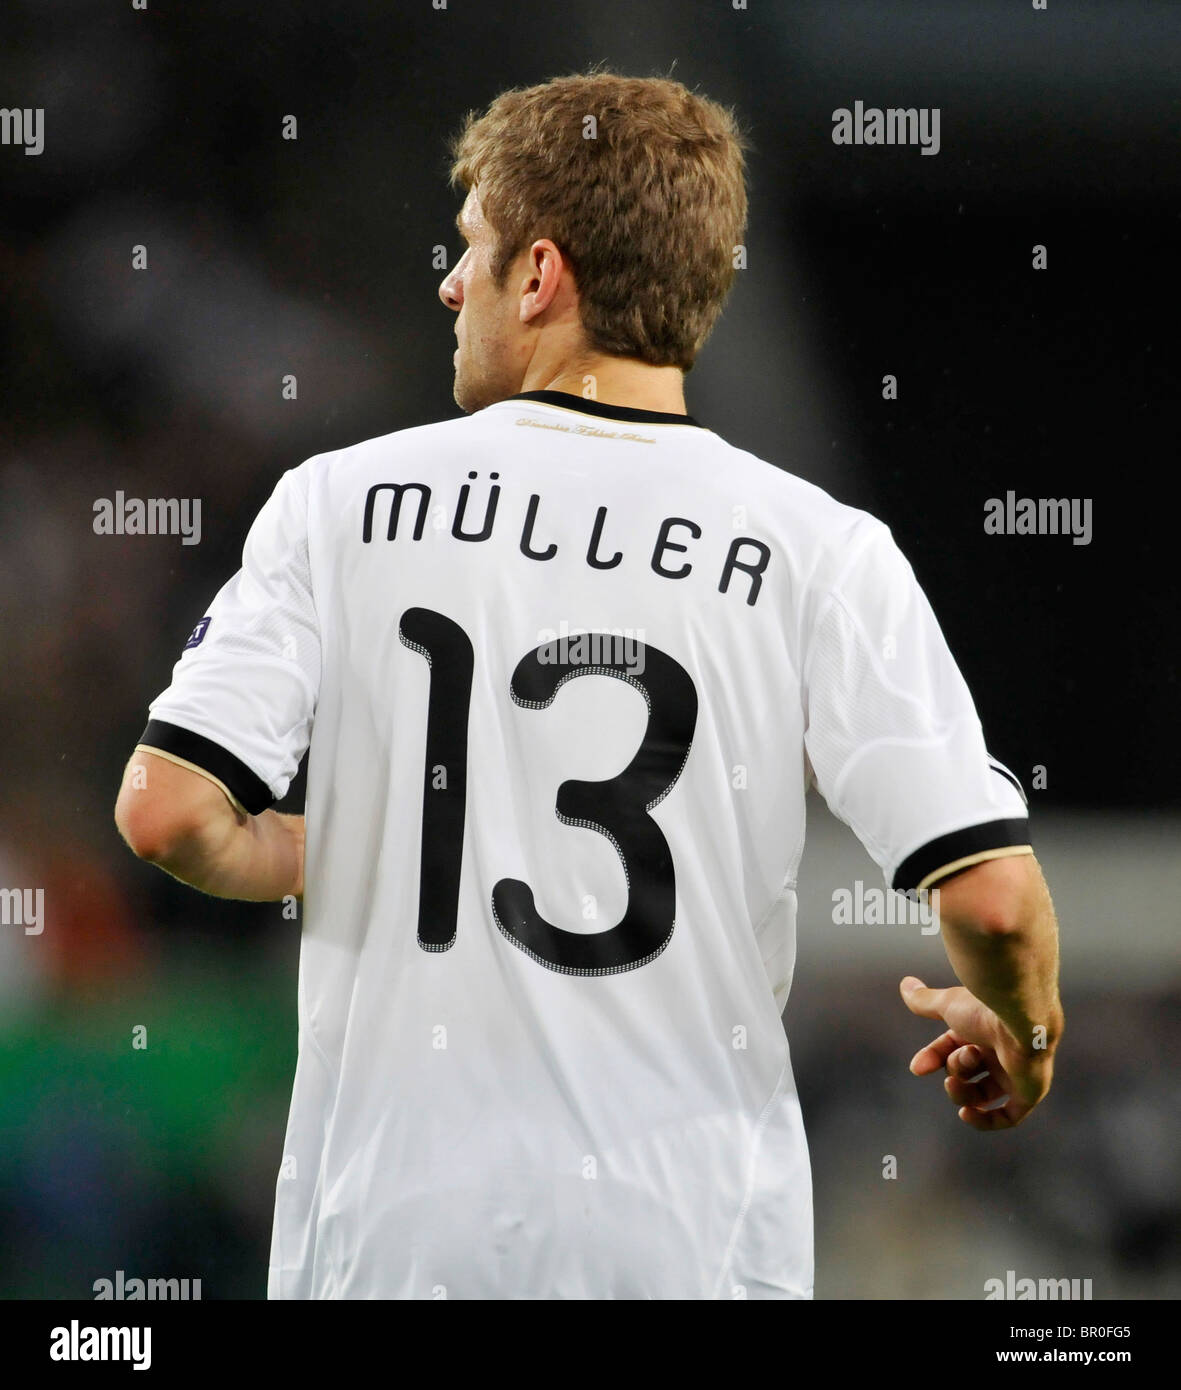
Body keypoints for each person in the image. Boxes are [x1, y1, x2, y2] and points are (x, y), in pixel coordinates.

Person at [114, 71, 1063, 1300]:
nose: (451, 285)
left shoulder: (340, 502)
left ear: (541, 275)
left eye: (470, 247)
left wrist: (360, 844)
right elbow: (989, 899)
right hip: (686, 1248)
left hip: (390, 1248)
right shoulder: (817, 548)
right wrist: (1027, 1044)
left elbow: (167, 811)